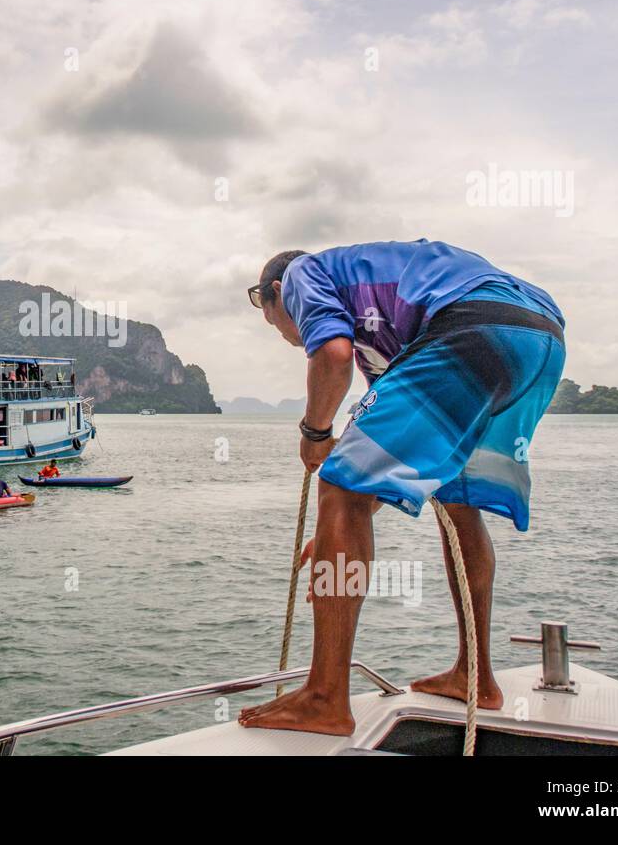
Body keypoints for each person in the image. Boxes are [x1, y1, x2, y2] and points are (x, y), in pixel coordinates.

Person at [237, 239, 565, 736]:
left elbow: (331, 353)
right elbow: (381, 458)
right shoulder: (384, 337)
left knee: (337, 488)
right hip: (539, 333)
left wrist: (315, 434)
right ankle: (475, 676)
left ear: (276, 293)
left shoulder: (304, 272)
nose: (287, 334)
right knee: (456, 501)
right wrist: (335, 535)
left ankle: (326, 697)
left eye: (277, 321)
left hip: (475, 322)